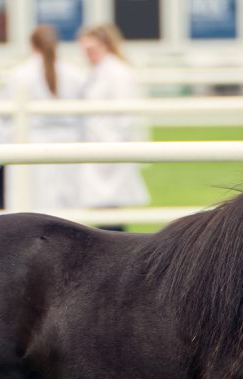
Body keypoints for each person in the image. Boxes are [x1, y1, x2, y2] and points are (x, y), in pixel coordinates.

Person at [3, 25, 86, 211]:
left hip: (30, 142)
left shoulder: (20, 74)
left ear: (31, 45)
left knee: (30, 202)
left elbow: (7, 114)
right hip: (70, 143)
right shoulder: (75, 73)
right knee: (68, 204)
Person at [77, 23, 150, 230]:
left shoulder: (118, 72)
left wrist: (114, 143)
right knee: (103, 205)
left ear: (106, 45)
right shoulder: (99, 71)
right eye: (85, 50)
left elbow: (127, 114)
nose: (88, 55)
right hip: (99, 145)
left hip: (110, 146)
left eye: (91, 49)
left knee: (110, 205)